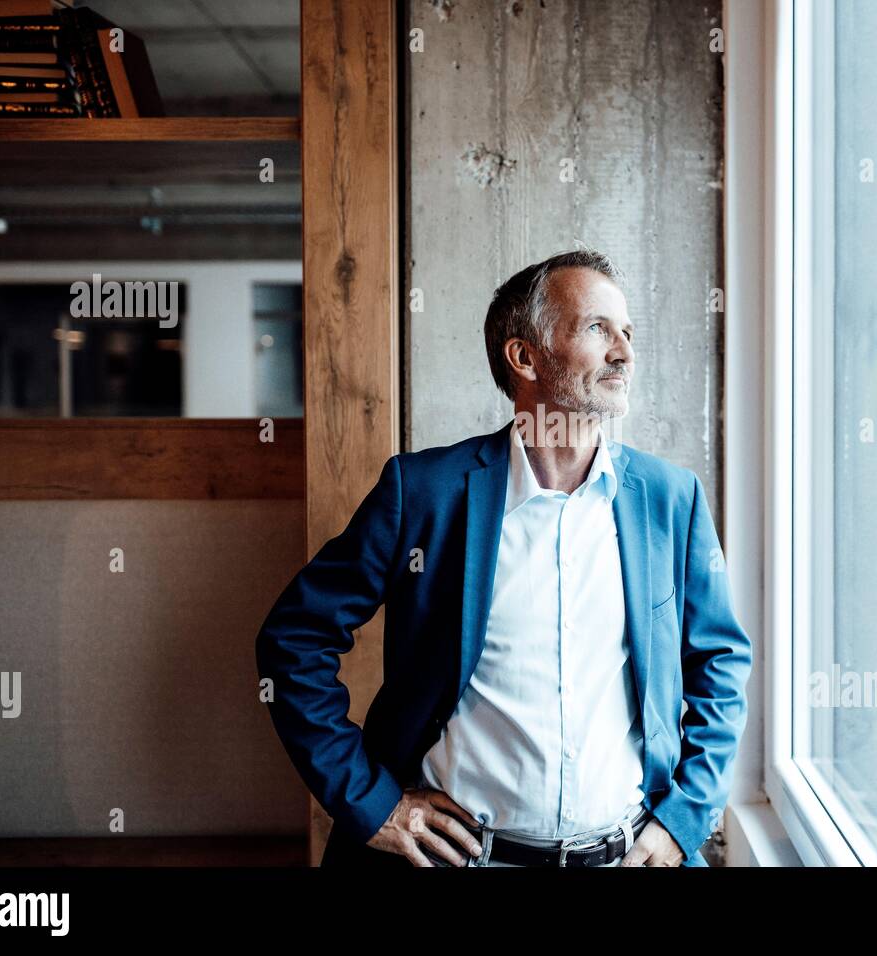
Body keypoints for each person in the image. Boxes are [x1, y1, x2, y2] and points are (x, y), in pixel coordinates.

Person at [256, 249, 752, 867]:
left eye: (628, 332)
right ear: (525, 357)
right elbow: (294, 638)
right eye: (598, 329)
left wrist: (682, 819)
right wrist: (370, 800)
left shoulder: (671, 500)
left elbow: (721, 664)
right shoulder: (424, 494)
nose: (624, 351)